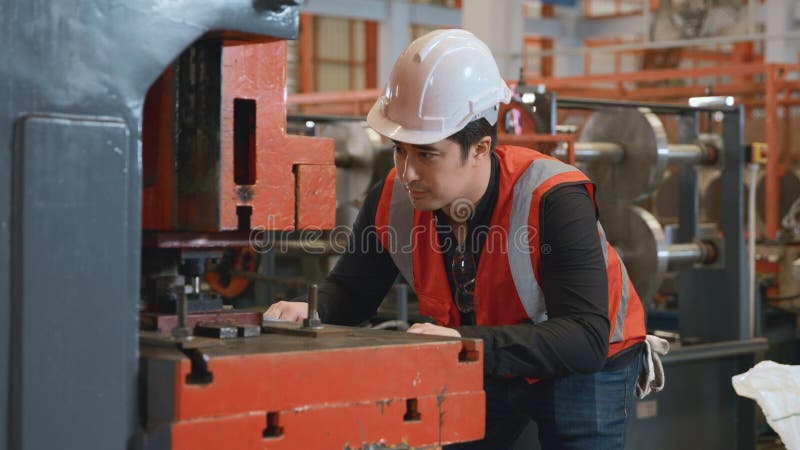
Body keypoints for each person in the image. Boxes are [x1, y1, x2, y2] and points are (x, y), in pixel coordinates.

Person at [265, 29, 647, 449]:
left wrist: (466, 342)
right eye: (399, 149)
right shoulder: (394, 199)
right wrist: (313, 309)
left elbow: (584, 339)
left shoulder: (553, 199)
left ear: (480, 148)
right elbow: (353, 291)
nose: (407, 172)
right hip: (486, 350)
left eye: (426, 154)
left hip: (586, 361)